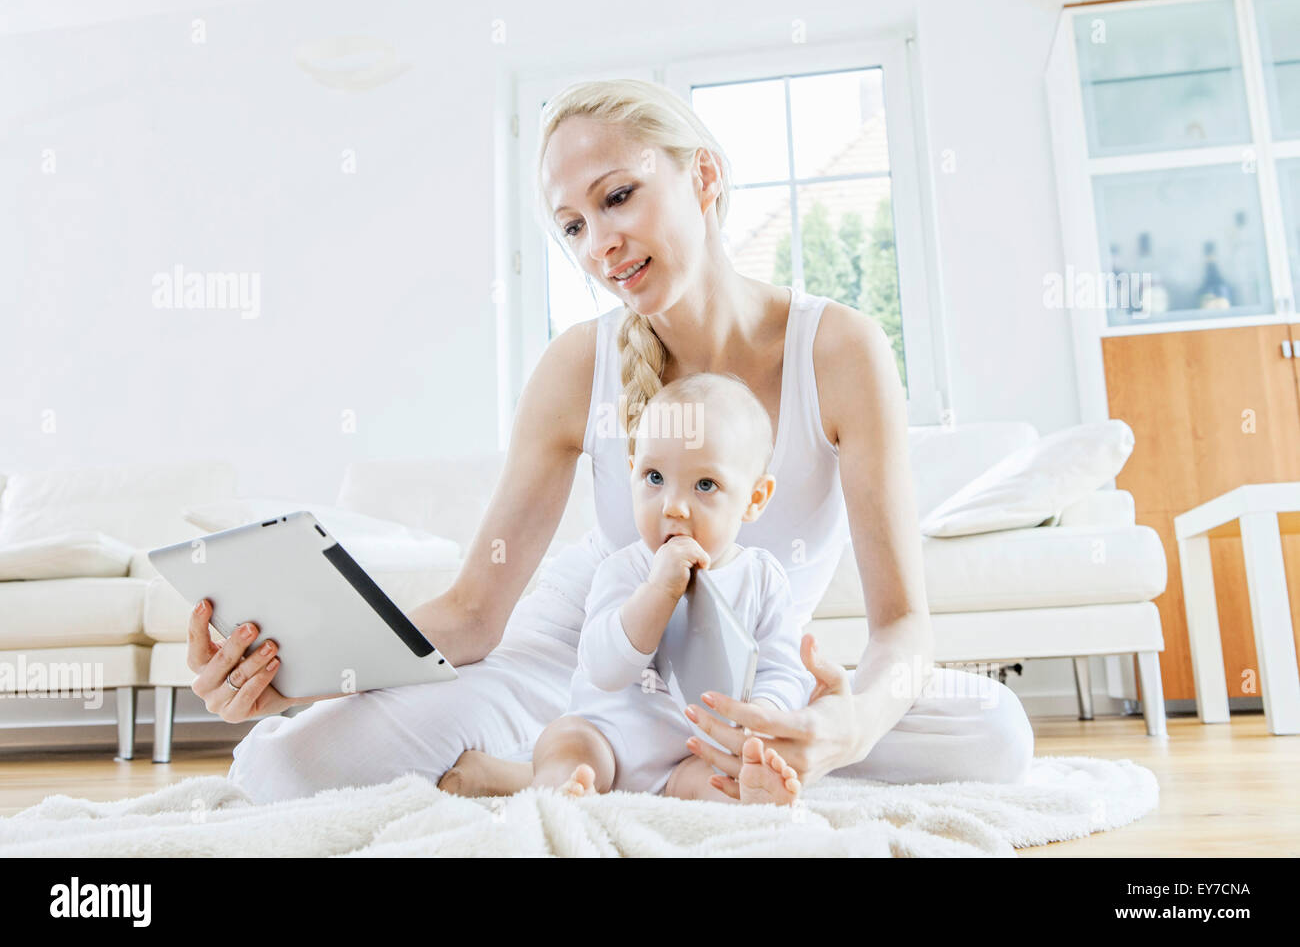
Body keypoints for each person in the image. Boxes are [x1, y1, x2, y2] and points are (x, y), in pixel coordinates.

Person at [188, 78, 1034, 805]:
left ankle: (538, 773)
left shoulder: (840, 350)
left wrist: (841, 726)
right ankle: (597, 761)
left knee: (994, 734)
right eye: (571, 227)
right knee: (299, 771)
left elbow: (902, 628)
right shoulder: (577, 366)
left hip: (735, 682)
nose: (599, 246)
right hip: (579, 661)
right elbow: (474, 615)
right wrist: (294, 673)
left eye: (617, 197)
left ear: (702, 176)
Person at [534, 371, 812, 804]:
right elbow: (604, 669)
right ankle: (561, 788)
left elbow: (785, 670)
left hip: (692, 755)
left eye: (705, 485)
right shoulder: (623, 569)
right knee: (565, 742)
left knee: (723, 782)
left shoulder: (761, 578)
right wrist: (657, 592)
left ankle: (756, 796)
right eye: (654, 477)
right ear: (633, 474)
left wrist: (765, 714)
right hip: (605, 739)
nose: (673, 506)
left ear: (755, 498)